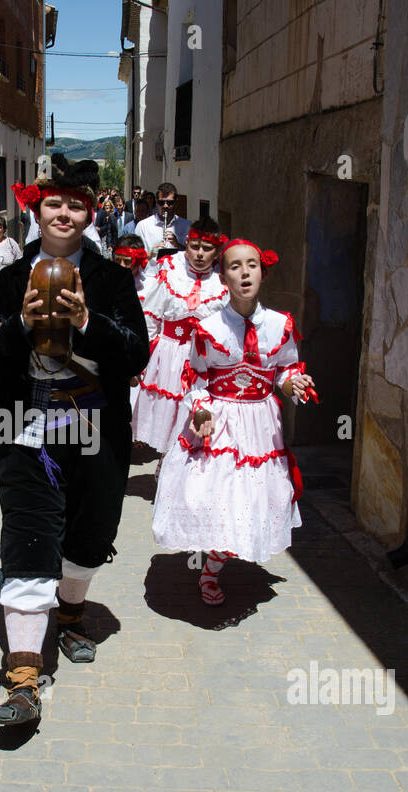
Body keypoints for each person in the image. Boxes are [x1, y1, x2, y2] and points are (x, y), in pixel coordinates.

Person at [0, 156, 149, 726]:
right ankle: (23, 676)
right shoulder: (5, 281)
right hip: (24, 429)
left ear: (90, 211)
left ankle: (70, 617)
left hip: (97, 429)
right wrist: (21, 327)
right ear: (37, 209)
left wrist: (87, 323)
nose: (65, 213)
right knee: (27, 541)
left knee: (89, 536)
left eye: (76, 204)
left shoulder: (113, 279)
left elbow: (136, 357)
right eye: (55, 203)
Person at [151, 241, 317, 604]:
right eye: (235, 266)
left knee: (250, 496)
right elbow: (195, 376)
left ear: (262, 271)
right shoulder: (208, 328)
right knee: (216, 497)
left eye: (252, 265)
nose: (245, 272)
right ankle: (211, 568)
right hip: (220, 422)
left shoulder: (279, 324)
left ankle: (216, 564)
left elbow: (284, 370)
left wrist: (293, 384)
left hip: (260, 426)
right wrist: (201, 410)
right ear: (223, 276)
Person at [130, 216, 229, 454]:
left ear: (217, 252)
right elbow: (151, 317)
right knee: (170, 415)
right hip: (169, 355)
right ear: (186, 245)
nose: (200, 254)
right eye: (195, 247)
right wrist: (142, 357)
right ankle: (168, 463)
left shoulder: (221, 283)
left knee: (194, 414)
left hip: (202, 361)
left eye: (207, 249)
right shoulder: (170, 270)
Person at [135, 182, 191, 255]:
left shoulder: (187, 225)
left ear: (176, 202)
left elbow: (191, 256)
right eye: (161, 202)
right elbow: (136, 257)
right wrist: (152, 253)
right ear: (156, 201)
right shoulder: (143, 226)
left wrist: (177, 245)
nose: (165, 206)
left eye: (169, 202)